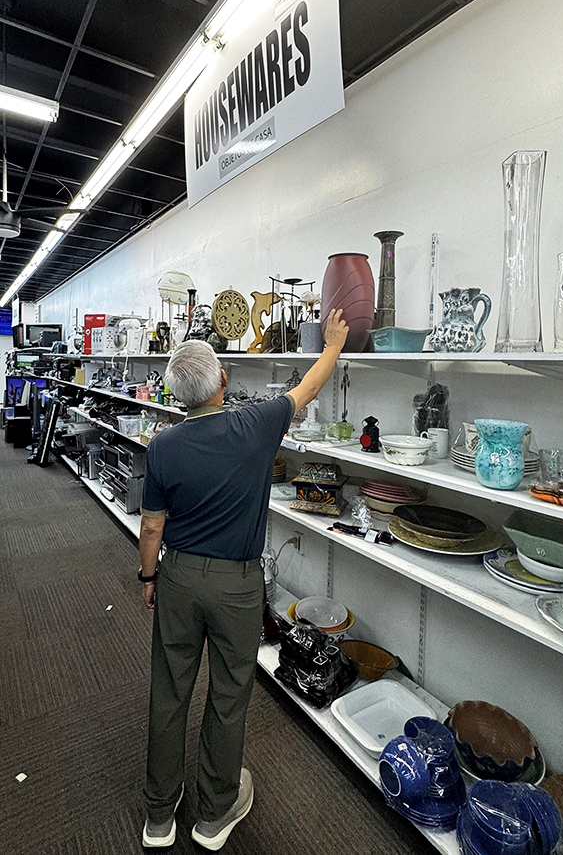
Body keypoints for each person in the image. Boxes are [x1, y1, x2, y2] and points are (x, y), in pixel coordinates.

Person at [139, 309, 348, 851]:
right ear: (223, 381)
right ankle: (214, 813)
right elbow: (308, 385)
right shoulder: (255, 424)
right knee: (229, 695)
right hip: (237, 585)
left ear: (175, 395)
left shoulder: (162, 445)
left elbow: (152, 526)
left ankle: (159, 815)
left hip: (179, 576)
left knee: (169, 691)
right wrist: (333, 343)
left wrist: (147, 576)